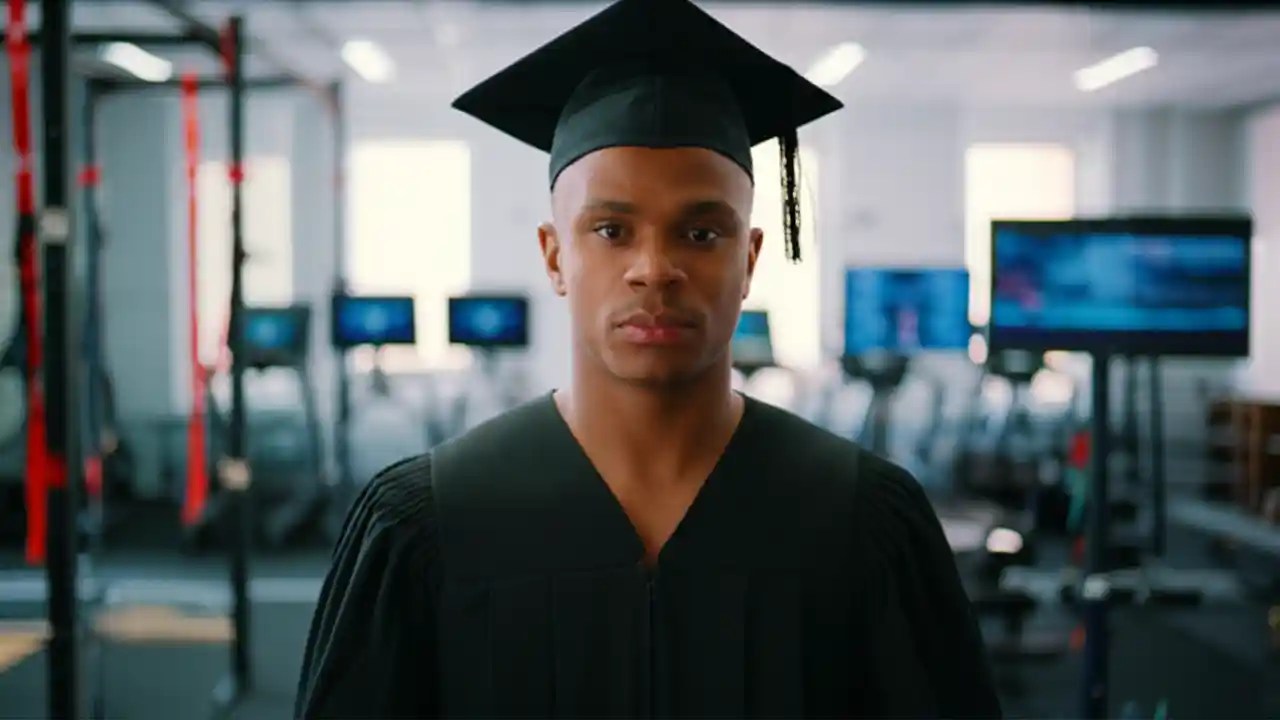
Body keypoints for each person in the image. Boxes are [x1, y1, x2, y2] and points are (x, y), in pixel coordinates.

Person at [295, 0, 1001, 717]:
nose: (654, 269)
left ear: (750, 259)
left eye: (700, 233)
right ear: (553, 255)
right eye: (610, 229)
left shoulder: (863, 523)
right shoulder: (428, 527)